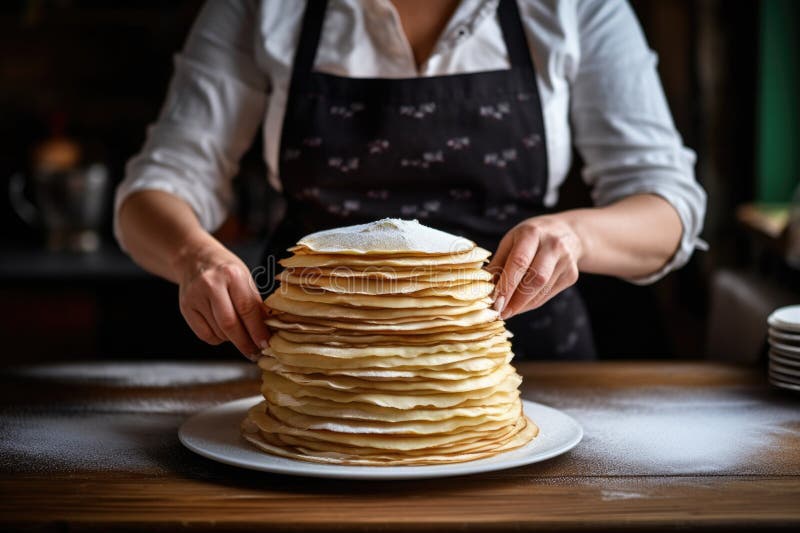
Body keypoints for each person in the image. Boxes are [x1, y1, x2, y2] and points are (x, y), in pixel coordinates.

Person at [114, 0, 706, 361]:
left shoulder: (573, 6)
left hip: (517, 367)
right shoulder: (263, 7)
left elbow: (668, 206)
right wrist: (195, 257)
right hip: (315, 368)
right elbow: (157, 187)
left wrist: (573, 237)